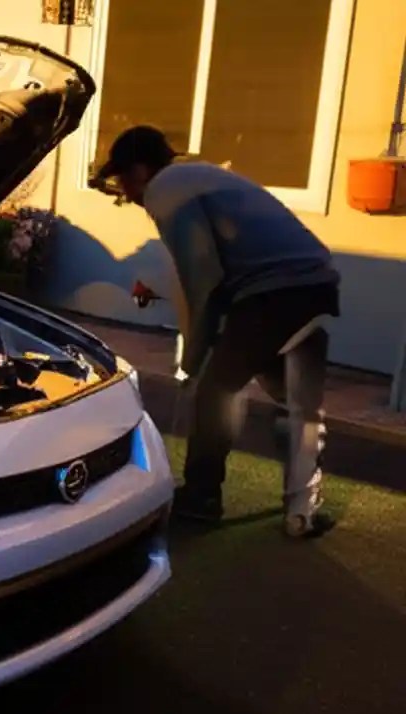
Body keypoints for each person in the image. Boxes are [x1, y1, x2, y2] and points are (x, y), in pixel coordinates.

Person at [92, 125, 341, 539]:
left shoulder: (166, 188)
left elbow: (202, 277)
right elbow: (217, 270)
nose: (127, 194)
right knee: (295, 400)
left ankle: (201, 499)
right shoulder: (197, 176)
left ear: (139, 170)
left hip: (275, 291)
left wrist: (194, 357)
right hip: (314, 283)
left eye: (123, 180)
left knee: (215, 391)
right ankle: (304, 511)